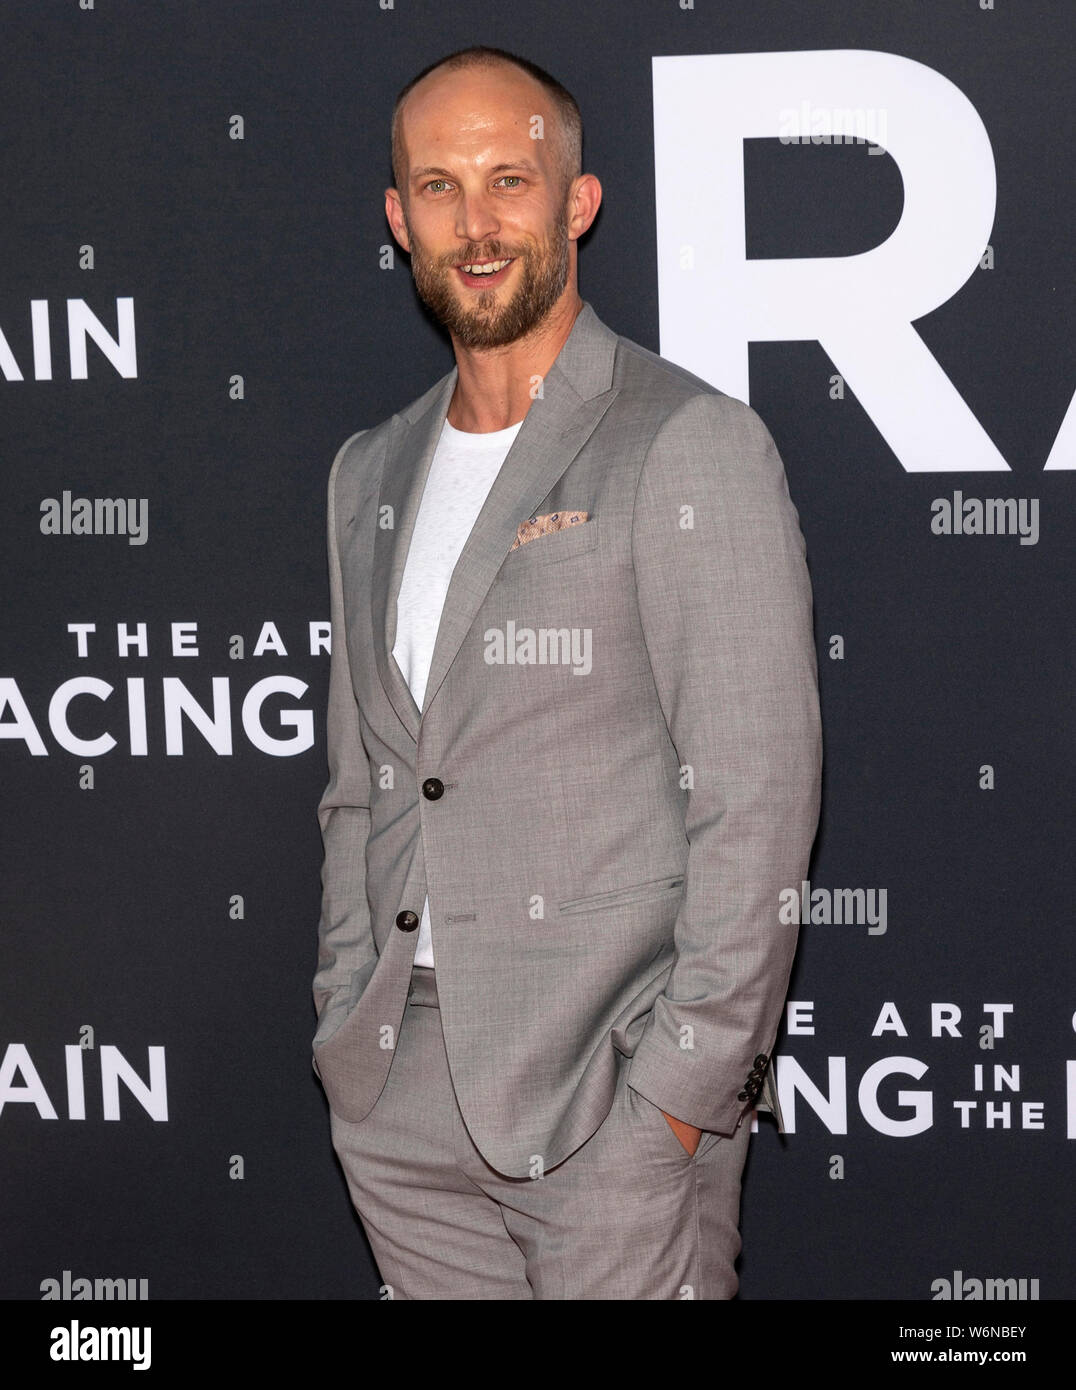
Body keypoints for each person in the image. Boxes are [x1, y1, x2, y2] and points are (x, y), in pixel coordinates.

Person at [312, 44, 822, 1300]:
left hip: (608, 1103)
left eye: (508, 180)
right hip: (398, 1098)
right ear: (397, 219)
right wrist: (341, 1019)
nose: (475, 224)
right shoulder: (366, 473)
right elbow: (359, 783)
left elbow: (755, 799)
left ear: (575, 201)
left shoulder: (684, 441)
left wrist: (681, 1100)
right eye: (438, 187)